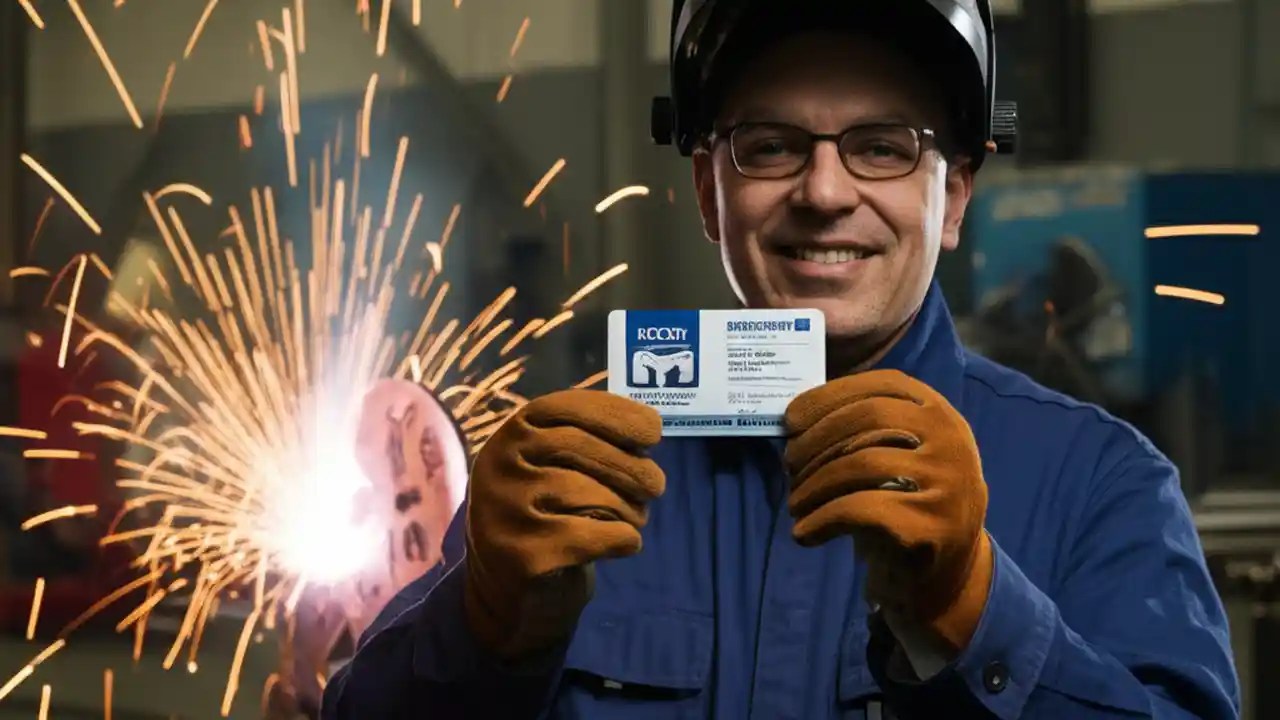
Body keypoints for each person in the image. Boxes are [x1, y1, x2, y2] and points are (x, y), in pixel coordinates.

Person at [321, 0, 1240, 717]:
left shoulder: (1103, 487)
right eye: (770, 147)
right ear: (709, 192)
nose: (825, 192)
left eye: (883, 147)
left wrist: (972, 607)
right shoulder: (569, 479)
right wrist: (482, 628)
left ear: (954, 197)